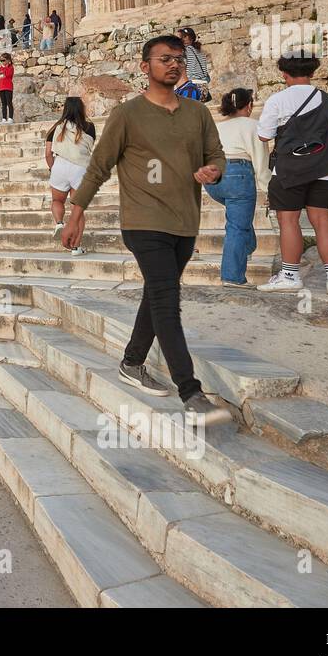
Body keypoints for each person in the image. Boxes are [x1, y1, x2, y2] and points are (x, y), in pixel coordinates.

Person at [60, 34, 230, 425]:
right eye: (164, 58)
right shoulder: (127, 115)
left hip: (185, 221)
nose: (173, 64)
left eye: (178, 59)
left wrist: (214, 169)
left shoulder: (197, 113)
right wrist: (76, 212)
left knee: (157, 293)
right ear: (145, 67)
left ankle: (132, 361)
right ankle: (191, 392)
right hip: (142, 222)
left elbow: (215, 153)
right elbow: (100, 165)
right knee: (168, 300)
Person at [256, 50, 328, 295]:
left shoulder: (278, 100)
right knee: (324, 222)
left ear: (284, 73)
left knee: (289, 221)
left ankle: (289, 276)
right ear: (312, 72)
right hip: (323, 169)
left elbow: (264, 135)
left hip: (289, 169)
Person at [206, 89, 271, 288]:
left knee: (238, 222)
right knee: (237, 227)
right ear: (249, 105)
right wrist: (269, 189)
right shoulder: (253, 126)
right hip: (237, 175)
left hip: (213, 179)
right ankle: (232, 277)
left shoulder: (217, 127)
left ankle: (246, 247)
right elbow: (261, 161)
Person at [45, 97, 96, 257]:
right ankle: (76, 247)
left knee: (57, 201)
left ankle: (59, 223)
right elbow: (88, 148)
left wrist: (53, 168)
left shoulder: (56, 128)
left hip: (60, 165)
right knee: (77, 211)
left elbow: (48, 153)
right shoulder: (89, 127)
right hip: (80, 168)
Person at [175, 27, 211, 102]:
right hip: (204, 87)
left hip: (193, 87)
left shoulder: (186, 50)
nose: (182, 39)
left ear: (191, 38)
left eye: (184, 37)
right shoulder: (200, 50)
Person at [0, 52, 16, 123]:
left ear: (8, 60)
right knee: (3, 104)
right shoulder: (0, 68)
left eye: (3, 60)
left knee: (9, 103)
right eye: (1, 60)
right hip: (1, 87)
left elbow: (8, 75)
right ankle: (4, 118)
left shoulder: (10, 67)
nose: (2, 62)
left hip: (8, 87)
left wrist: (4, 67)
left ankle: (10, 118)